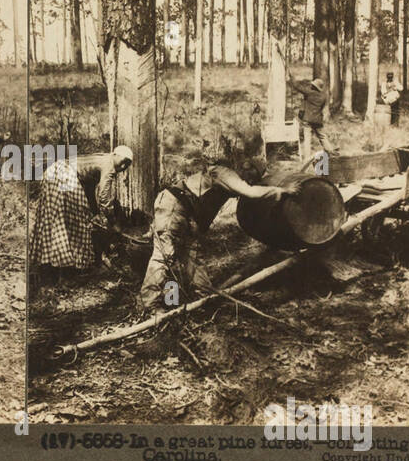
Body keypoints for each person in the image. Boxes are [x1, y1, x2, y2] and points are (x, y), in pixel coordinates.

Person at [139, 160, 285, 310]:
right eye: (254, 176)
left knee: (194, 255)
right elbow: (250, 191)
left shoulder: (230, 179)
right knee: (164, 255)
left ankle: (202, 298)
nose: (252, 181)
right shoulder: (225, 173)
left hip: (186, 212)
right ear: (247, 167)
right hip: (175, 206)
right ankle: (149, 305)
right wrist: (282, 191)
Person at [30, 146, 133, 270]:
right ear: (115, 155)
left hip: (53, 171)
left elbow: (88, 187)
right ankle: (68, 265)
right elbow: (104, 197)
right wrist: (113, 222)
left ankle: (49, 261)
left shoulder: (101, 158)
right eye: (123, 162)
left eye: (126, 165)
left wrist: (94, 211)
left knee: (54, 217)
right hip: (63, 175)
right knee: (75, 221)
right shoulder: (109, 165)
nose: (123, 167)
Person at [289, 76, 334, 155]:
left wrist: (290, 78)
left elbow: (297, 86)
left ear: (314, 87)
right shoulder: (323, 97)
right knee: (322, 136)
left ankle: (307, 157)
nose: (311, 86)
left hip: (307, 120)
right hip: (318, 120)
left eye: (313, 85)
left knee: (307, 139)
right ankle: (331, 151)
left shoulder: (309, 93)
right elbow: (322, 107)